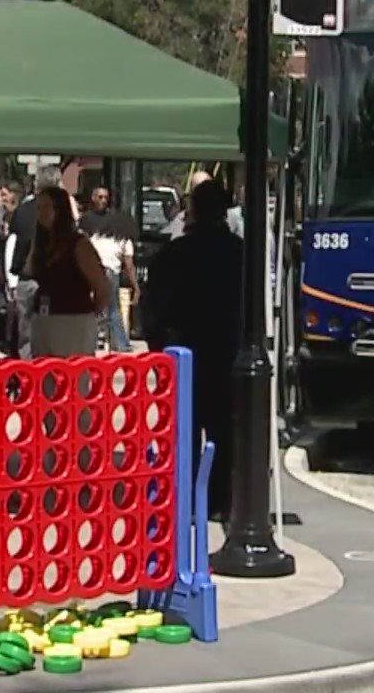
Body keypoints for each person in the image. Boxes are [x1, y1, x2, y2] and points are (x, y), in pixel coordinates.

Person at [140, 180, 242, 518]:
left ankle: (184, 498)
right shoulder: (240, 254)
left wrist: (159, 347)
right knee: (222, 432)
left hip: (183, 353)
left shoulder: (173, 254)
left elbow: (151, 309)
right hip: (225, 351)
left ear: (192, 211)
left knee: (184, 430)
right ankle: (217, 500)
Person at [28, 185, 110, 358]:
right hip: (44, 318)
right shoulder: (41, 244)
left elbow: (101, 286)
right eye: (39, 208)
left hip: (74, 321)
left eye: (47, 207)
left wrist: (91, 312)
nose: (41, 213)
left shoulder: (78, 244)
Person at [10, 166, 78, 354]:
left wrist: (12, 280)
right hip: (54, 283)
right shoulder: (64, 214)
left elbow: (13, 242)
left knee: (26, 334)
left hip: (27, 280)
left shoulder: (22, 211)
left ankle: (28, 369)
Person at [79, 186, 139, 352]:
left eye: (105, 197)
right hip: (95, 269)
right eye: (100, 197)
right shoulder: (87, 223)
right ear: (92, 198)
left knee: (108, 308)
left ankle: (108, 342)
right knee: (105, 308)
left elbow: (128, 262)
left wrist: (135, 285)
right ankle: (116, 342)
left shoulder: (117, 227)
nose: (103, 201)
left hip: (105, 270)